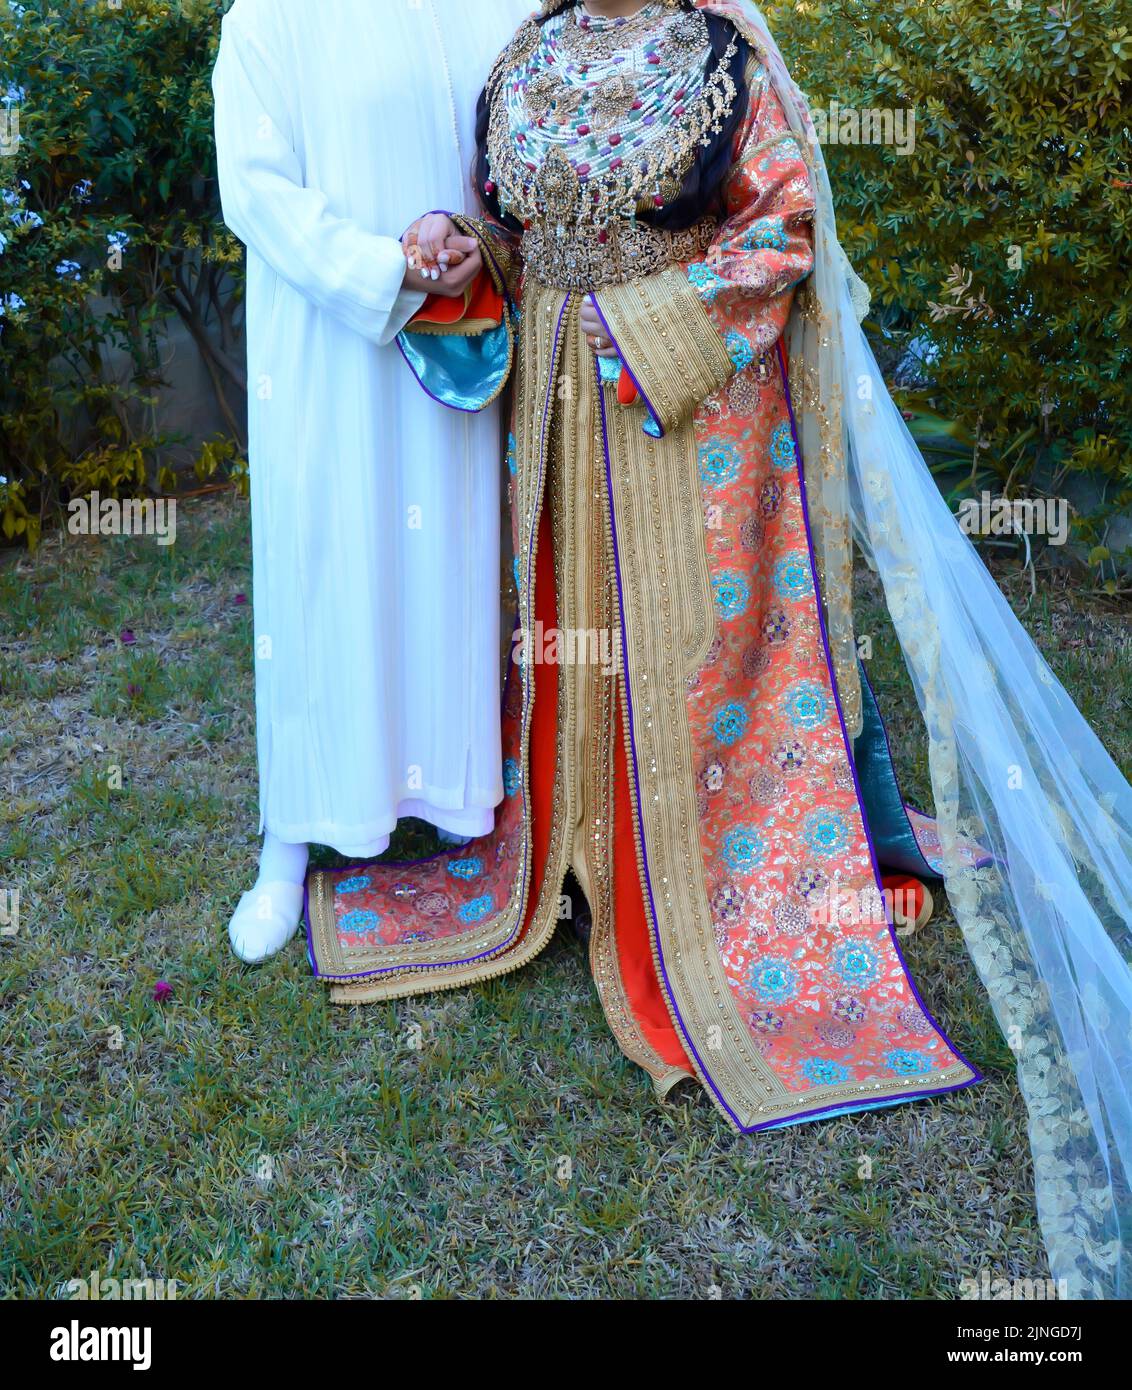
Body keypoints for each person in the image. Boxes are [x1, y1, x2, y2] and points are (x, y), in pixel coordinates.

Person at [304, 0, 1132, 1299]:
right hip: (562, 419)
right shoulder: (532, 51)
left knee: (692, 654)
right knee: (572, 656)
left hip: (694, 419)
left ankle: (705, 897)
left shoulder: (719, 53)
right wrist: (466, 251)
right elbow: (521, 236)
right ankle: (577, 847)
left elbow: (779, 229)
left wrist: (653, 329)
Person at [211, 0, 531, 963]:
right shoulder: (269, 17)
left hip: (458, 341)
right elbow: (255, 190)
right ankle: (293, 837)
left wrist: (483, 242)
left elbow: (522, 159)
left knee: (453, 570)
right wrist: (384, 268)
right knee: (328, 567)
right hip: (329, 349)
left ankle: (462, 800)